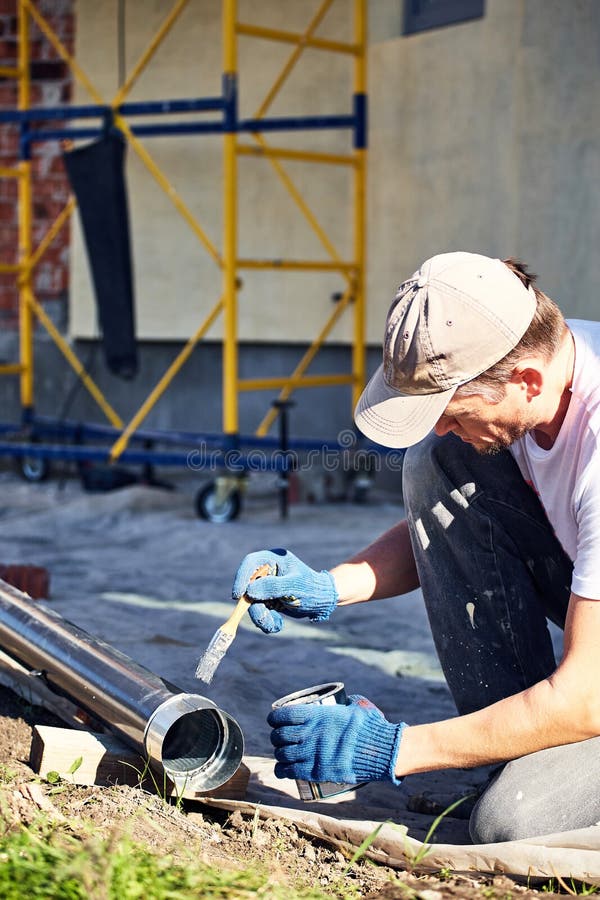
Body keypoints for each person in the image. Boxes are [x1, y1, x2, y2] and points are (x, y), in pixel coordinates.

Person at [233, 251, 600, 843]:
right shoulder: (543, 372)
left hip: (591, 692)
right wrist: (328, 586)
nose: (440, 424)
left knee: (515, 821)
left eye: (452, 411)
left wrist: (396, 749)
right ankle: (513, 754)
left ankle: (526, 765)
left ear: (526, 382)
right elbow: (455, 521)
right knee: (439, 460)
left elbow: (586, 698)